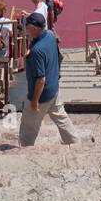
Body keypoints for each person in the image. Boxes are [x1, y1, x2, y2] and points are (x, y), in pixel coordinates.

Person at [18, 13, 80, 147]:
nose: (25, 28)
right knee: (61, 118)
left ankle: (24, 149)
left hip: (41, 96)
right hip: (54, 89)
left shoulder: (37, 51)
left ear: (35, 28)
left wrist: (34, 101)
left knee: (29, 125)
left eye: (27, 26)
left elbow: (40, 79)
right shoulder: (50, 35)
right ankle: (75, 142)